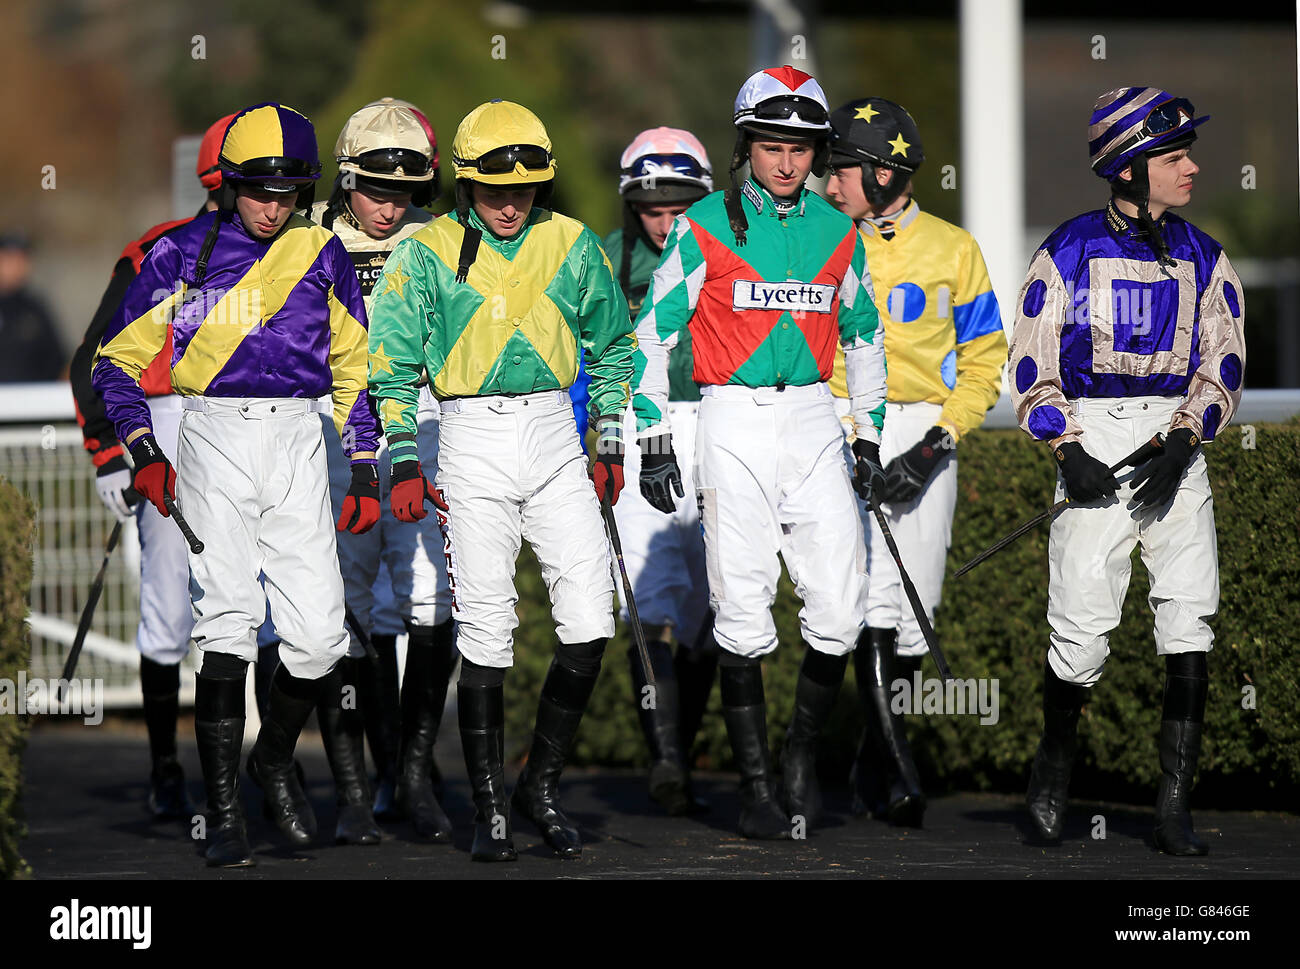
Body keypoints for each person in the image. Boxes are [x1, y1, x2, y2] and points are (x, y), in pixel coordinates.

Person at [92, 102, 382, 867]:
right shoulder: (177, 256)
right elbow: (112, 365)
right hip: (211, 434)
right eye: (259, 189)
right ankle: (223, 814)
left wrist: (362, 463)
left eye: (289, 192)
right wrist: (142, 449)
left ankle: (271, 758)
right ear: (229, 184)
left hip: (299, 439)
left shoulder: (323, 253)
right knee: (225, 622)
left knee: (320, 637)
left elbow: (356, 368)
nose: (273, 206)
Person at [367, 99, 635, 862]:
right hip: (470, 437)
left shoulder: (573, 243)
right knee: (487, 629)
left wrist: (608, 438)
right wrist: (405, 459)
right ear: (463, 184)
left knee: (590, 619)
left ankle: (537, 787)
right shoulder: (424, 254)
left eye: (524, 188)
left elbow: (612, 347)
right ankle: (488, 806)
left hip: (554, 433)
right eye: (493, 189)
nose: (510, 203)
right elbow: (389, 368)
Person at [632, 66, 886, 839]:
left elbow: (866, 336)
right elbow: (651, 334)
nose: (788, 163)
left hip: (813, 418)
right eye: (773, 147)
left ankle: (799, 761)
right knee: (741, 611)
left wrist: (868, 433)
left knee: (841, 611)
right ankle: (755, 787)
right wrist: (651, 439)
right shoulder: (703, 223)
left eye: (802, 149)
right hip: (729, 417)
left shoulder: (839, 233)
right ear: (747, 148)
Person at [1008, 87, 1245, 855]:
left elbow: (1225, 361)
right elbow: (1033, 364)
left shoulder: (1206, 255)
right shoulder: (1067, 250)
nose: (1193, 169)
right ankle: (1052, 771)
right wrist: (1068, 451)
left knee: (1189, 619)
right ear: (1131, 169)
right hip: (1094, 437)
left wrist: (1185, 439)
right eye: (1176, 159)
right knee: (1079, 631)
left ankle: (1172, 808)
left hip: (1174, 444)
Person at [824, 98, 1007, 827]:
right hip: (844, 423)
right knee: (871, 598)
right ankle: (900, 769)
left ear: (880, 171)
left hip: (928, 429)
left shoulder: (956, 249)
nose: (827, 183)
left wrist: (938, 442)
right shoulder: (823, 243)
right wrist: (844, 437)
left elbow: (985, 360)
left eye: (839, 169)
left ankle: (870, 764)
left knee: (915, 606)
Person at [69, 113, 235, 822]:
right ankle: (167, 767)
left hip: (266, 431)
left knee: (263, 611)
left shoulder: (302, 254)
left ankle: (255, 770)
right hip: (168, 425)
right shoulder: (153, 253)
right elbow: (93, 362)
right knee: (168, 613)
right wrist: (112, 454)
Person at [311, 97, 451, 845]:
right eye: (373, 188)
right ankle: (355, 788)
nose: (389, 207)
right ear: (344, 178)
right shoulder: (304, 242)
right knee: (342, 606)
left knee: (433, 602)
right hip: (333, 440)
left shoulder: (445, 242)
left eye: (403, 192)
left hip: (423, 432)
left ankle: (415, 775)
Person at [603, 127, 718, 815]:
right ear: (630, 206)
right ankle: (666, 759)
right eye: (653, 206)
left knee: (714, 609)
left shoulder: (729, 255)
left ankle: (687, 750)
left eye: (681, 205)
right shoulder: (605, 261)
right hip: (639, 428)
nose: (668, 220)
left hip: (719, 422)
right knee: (647, 609)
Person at [0, 232, 65, 382]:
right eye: (10, 259)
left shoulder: (35, 309)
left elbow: (58, 362)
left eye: (22, 260)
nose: (17, 266)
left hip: (31, 401)